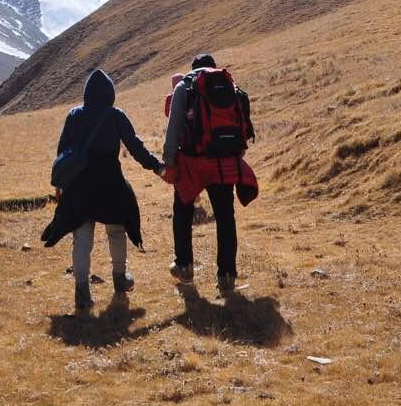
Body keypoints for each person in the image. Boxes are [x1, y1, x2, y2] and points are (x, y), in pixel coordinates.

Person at [40, 69, 166, 311]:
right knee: (117, 230)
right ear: (110, 93)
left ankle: (82, 292)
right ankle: (120, 278)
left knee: (82, 238)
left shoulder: (74, 115)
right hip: (111, 184)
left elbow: (62, 153)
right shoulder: (116, 115)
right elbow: (136, 147)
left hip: (79, 187)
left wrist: (59, 187)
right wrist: (158, 168)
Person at [161, 53, 258, 295]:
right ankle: (227, 276)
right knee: (225, 216)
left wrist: (169, 161)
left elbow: (173, 127)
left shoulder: (186, 86)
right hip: (224, 161)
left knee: (182, 210)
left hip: (193, 163)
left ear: (193, 69)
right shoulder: (229, 86)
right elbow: (242, 124)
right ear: (212, 68)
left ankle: (184, 266)